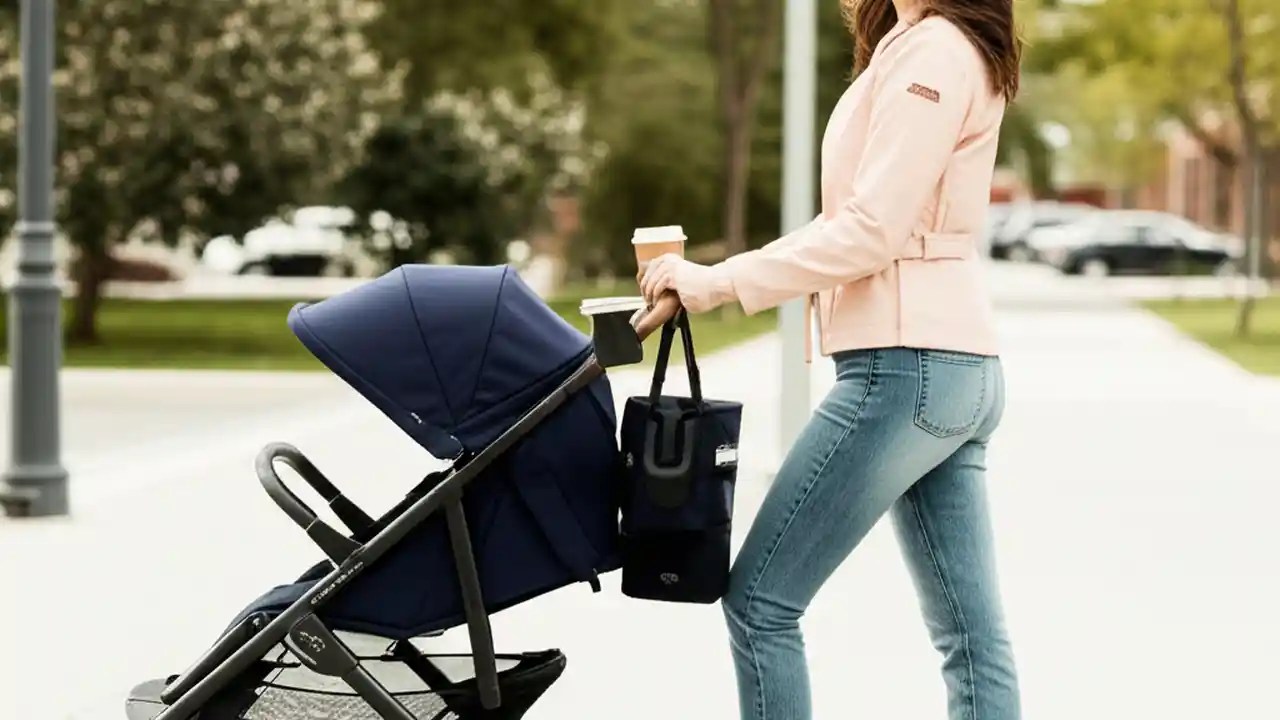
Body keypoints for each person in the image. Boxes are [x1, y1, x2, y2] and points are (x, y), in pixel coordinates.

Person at [639, 0, 1022, 718]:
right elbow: (846, 221)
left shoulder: (933, 50)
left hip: (904, 370)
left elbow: (873, 231)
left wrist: (719, 284)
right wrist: (716, 277)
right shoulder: (921, 43)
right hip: (951, 366)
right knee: (971, 640)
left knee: (760, 604)